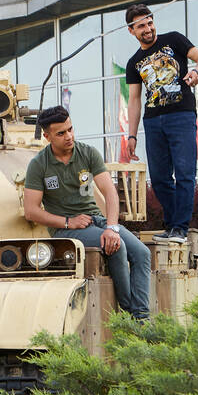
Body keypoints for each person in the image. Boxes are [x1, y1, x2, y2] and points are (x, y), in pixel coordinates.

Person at [23, 105, 150, 320]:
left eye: (70, 129)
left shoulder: (88, 153)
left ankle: (142, 317)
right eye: (61, 133)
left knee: (142, 253)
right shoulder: (38, 165)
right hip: (64, 231)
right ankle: (131, 316)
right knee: (115, 247)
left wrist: (111, 227)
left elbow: (110, 193)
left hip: (96, 220)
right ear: (47, 136)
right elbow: (31, 211)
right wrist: (67, 222)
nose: (69, 136)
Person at [124, 4, 198, 243]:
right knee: (160, 178)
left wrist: (196, 73)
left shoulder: (174, 40)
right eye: (141, 26)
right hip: (152, 122)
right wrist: (132, 135)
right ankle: (173, 225)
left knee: (184, 174)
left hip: (181, 116)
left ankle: (179, 228)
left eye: (150, 22)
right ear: (132, 31)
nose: (148, 28)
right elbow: (134, 100)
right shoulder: (134, 63)